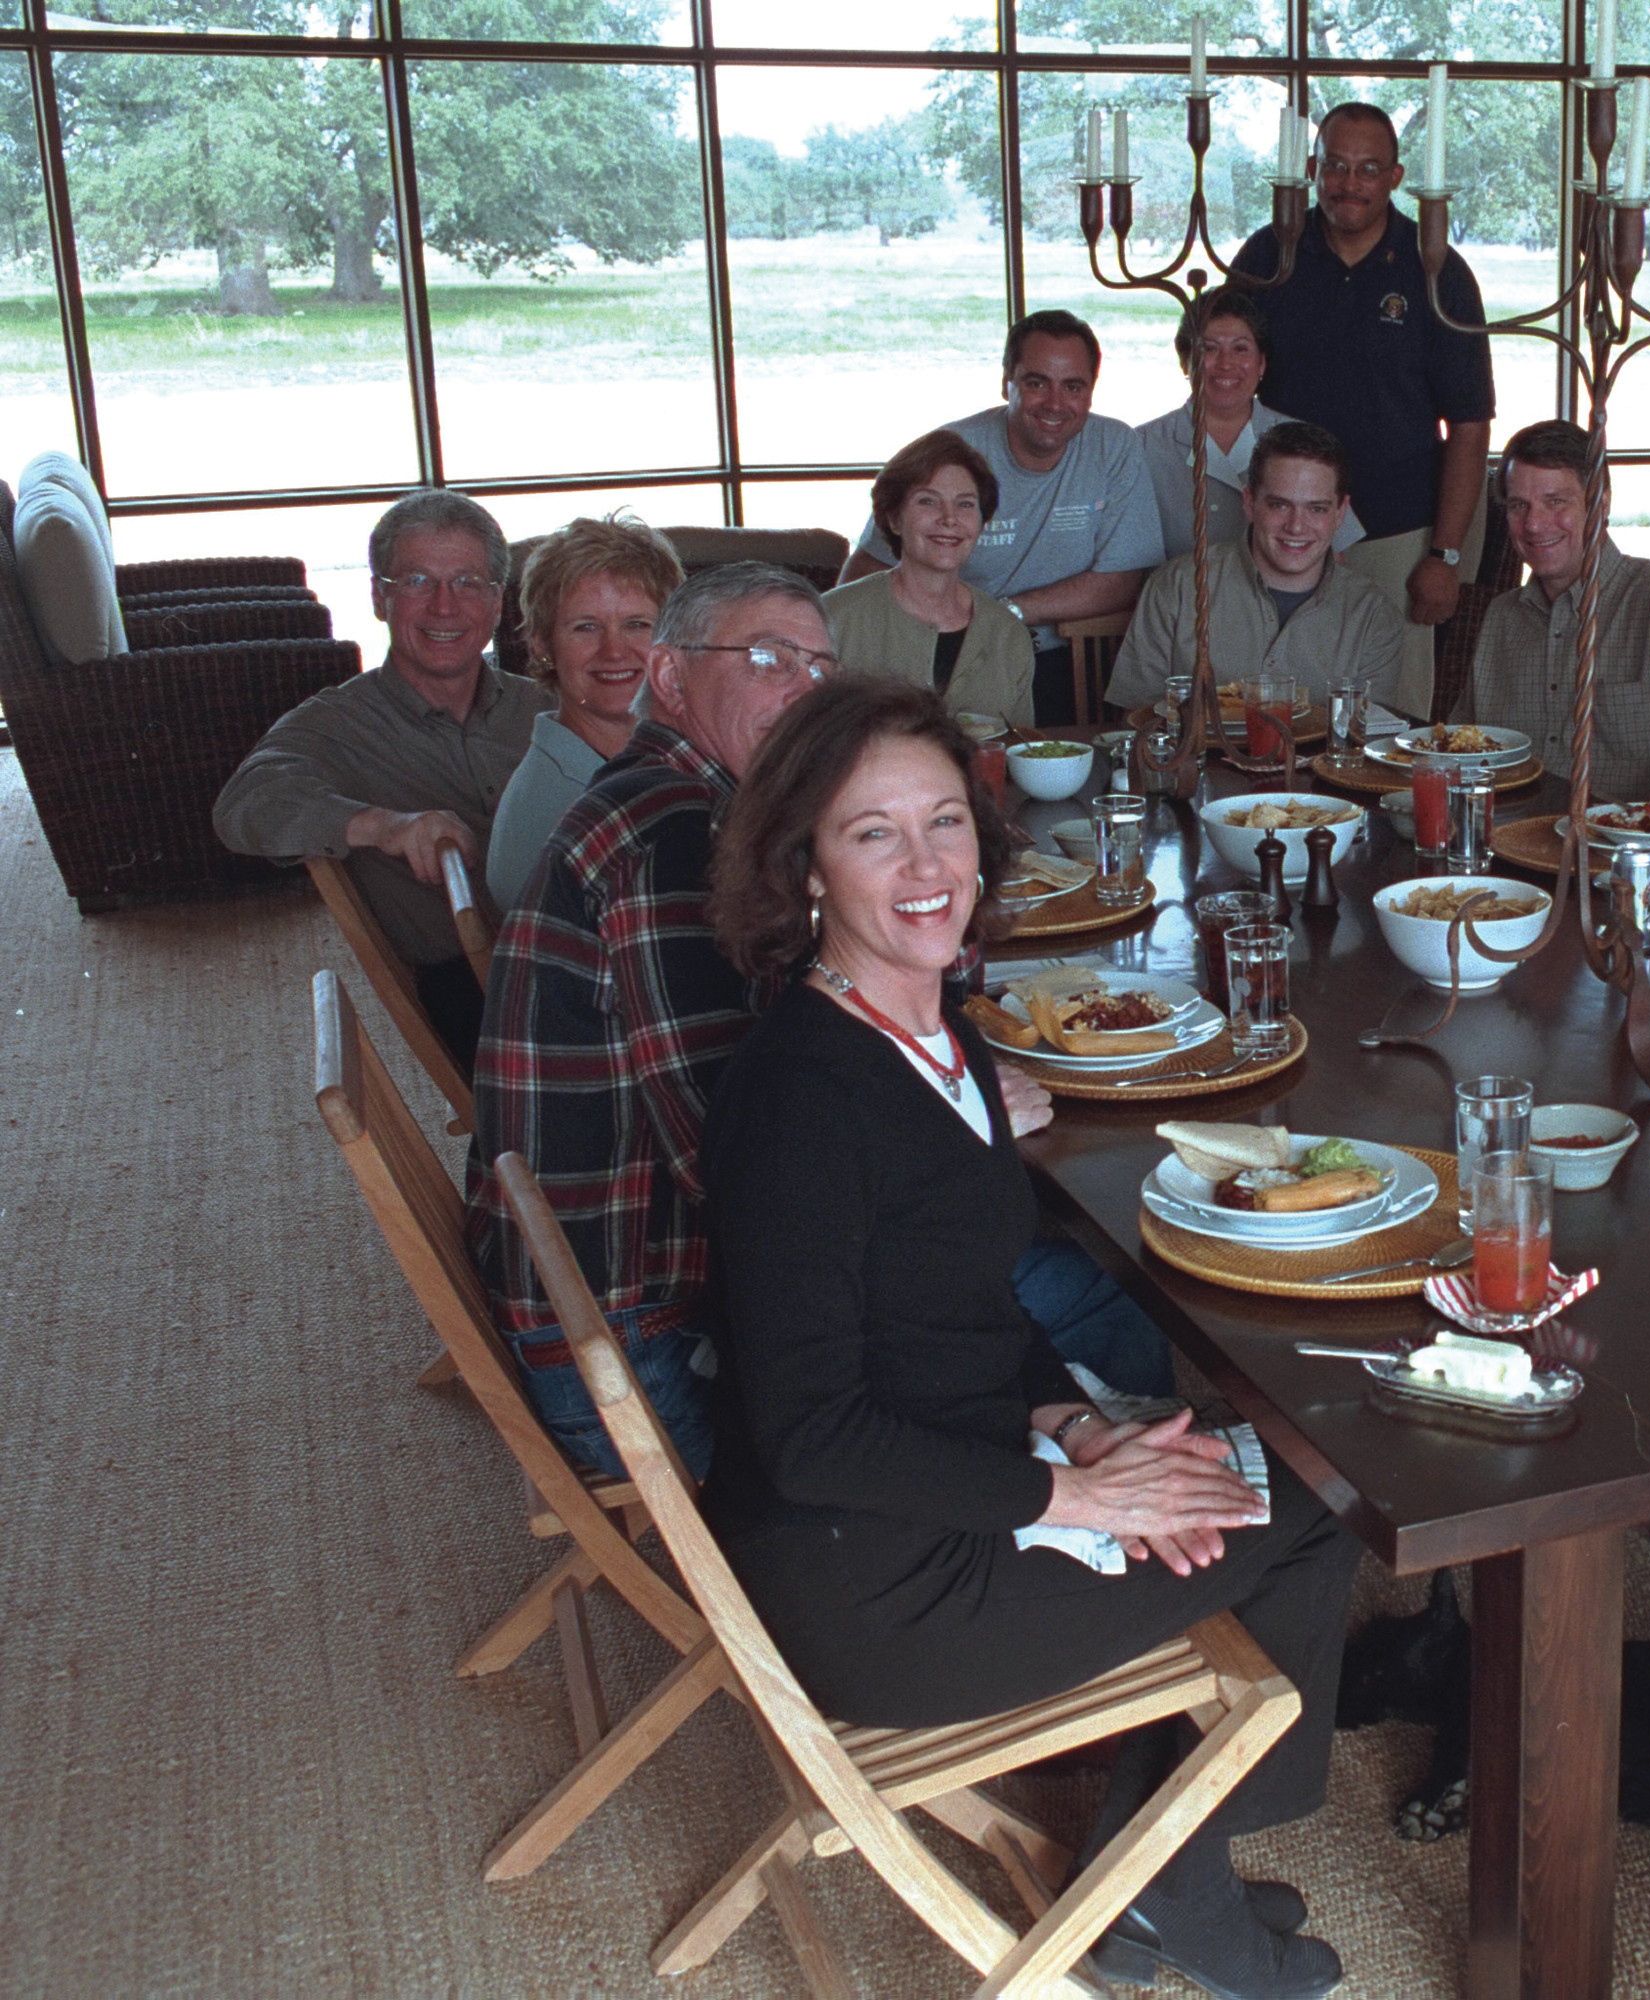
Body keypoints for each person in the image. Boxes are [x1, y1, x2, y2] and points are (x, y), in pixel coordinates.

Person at [699, 677, 1358, 2000]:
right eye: (873, 833)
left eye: (945, 822)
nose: (927, 863)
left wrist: (1078, 1422)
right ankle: (1174, 1880)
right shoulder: (801, 1102)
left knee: (1246, 1478)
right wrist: (1075, 1490)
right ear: (807, 867)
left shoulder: (921, 1029)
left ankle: (1157, 1869)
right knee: (1331, 1503)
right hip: (880, 1594)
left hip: (945, 1483)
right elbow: (811, 1433)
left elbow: (957, 1325)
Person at [468, 563, 1174, 1481]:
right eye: (767, 657)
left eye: (818, 664)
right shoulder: (667, 837)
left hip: (633, 1283)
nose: (804, 687)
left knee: (994, 1252)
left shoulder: (710, 807)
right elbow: (734, 1148)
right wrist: (942, 1128)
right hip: (638, 1341)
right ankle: (1123, 1542)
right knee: (1095, 1298)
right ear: (671, 678)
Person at [213, 486, 542, 1063]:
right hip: (481, 1001)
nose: (444, 606)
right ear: (378, 599)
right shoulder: (338, 724)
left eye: (467, 583)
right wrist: (383, 826)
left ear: (496, 603)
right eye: (416, 582)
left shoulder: (543, 710)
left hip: (582, 958)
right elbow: (244, 805)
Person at [1231, 102, 1496, 716]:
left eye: (1368, 169)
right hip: (1284, 524)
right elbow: (1219, 360)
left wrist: (1444, 556)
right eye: (1336, 166)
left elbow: (1470, 425)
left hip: (1395, 530)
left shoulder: (1438, 272)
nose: (1349, 184)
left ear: (1396, 177)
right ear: (1313, 169)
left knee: (1391, 717)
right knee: (1273, 701)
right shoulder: (1272, 253)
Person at [834, 311, 1162, 729]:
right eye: (1036, 382)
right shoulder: (952, 452)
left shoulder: (1114, 446)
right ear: (1006, 381)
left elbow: (1122, 579)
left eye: (1073, 386)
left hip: (1062, 652)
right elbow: (864, 572)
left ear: (1092, 391)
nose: (1055, 403)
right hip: (944, 648)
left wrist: (1007, 614)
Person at [1466, 419, 1650, 800]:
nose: (1534, 524)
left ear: (1601, 503)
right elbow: (1463, 747)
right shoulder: (1501, 618)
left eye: (1556, 502)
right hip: (1510, 840)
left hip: (1633, 849)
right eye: (1519, 505)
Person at [1105, 422, 1403, 716]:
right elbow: (1137, 719)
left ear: (1340, 513)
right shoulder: (1178, 586)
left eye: (1317, 509)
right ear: (1249, 503)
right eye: (1279, 505)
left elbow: (1366, 741)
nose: (1296, 526)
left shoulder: (1372, 614)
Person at [485, 514, 684, 905]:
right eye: (586, 627)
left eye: (637, 624)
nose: (614, 651)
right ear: (541, 645)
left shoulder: (630, 766)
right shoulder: (573, 805)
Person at [822, 429, 1038, 725]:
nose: (949, 519)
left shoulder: (1008, 633)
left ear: (982, 522)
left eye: (965, 504)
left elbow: (1019, 750)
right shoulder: (832, 618)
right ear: (894, 518)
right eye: (928, 501)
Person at [1134, 286, 1365, 563]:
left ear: (1262, 364)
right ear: (1185, 362)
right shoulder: (1140, 447)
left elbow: (1335, 555)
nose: (1226, 364)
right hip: (1176, 603)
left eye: (1241, 348)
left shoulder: (1304, 443)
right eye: (1209, 349)